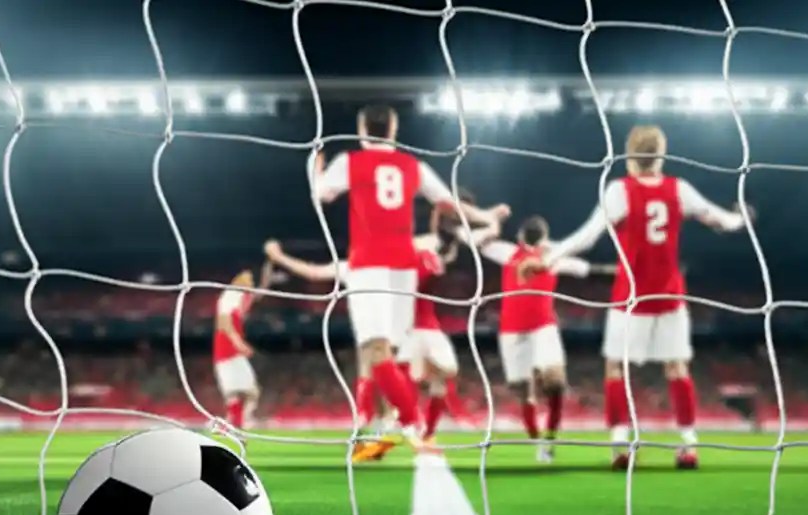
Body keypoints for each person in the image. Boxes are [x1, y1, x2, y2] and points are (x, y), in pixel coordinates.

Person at [520, 125, 752, 470]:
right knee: (677, 367)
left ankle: (620, 446)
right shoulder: (679, 189)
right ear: (662, 155)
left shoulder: (620, 191)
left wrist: (548, 259)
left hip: (631, 299)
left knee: (616, 367)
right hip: (670, 297)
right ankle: (689, 445)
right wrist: (741, 217)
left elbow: (586, 237)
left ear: (629, 156)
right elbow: (723, 221)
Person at [313, 104, 508, 451]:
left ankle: (408, 425)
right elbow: (448, 204)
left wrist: (316, 167)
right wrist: (484, 215)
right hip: (403, 267)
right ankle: (394, 425)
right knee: (390, 353)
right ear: (393, 129)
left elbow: (322, 194)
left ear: (361, 129)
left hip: (368, 264)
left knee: (375, 352)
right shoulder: (412, 166)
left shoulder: (350, 162)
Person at [461, 215, 612, 463]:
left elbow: (587, 270)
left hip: (543, 327)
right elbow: (473, 241)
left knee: (555, 384)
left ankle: (549, 439)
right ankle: (536, 438)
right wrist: (489, 228)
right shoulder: (507, 252)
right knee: (522, 389)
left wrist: (622, 272)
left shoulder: (553, 258)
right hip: (512, 331)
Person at [212, 263, 274, 430]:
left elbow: (261, 292)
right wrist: (237, 342)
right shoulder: (229, 296)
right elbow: (223, 321)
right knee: (238, 392)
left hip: (232, 350)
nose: (250, 281)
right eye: (247, 278)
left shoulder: (243, 296)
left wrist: (268, 270)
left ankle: (238, 421)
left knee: (248, 391)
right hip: (226, 348)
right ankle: (235, 422)